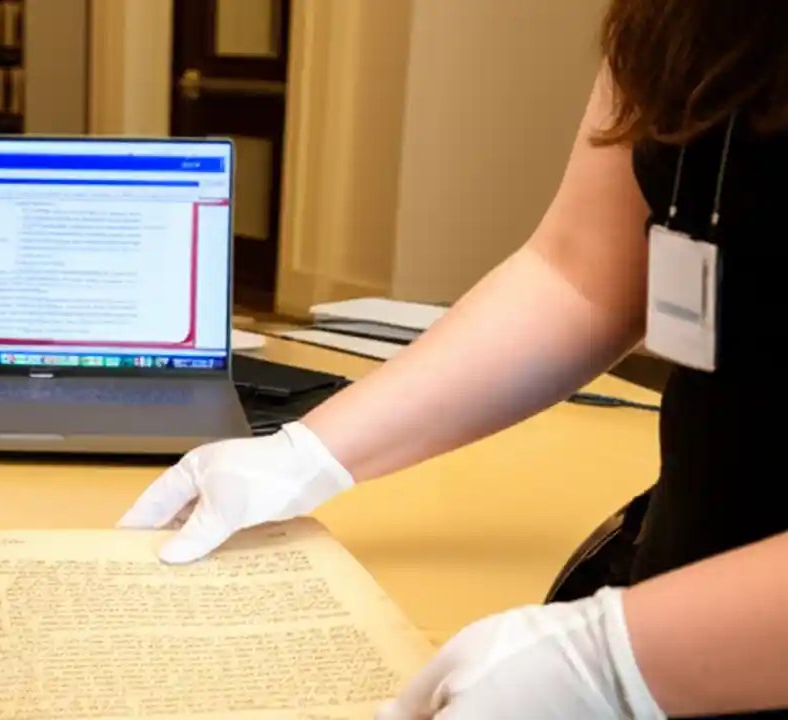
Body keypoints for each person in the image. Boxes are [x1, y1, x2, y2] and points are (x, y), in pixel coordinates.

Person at [118, 1, 788, 718]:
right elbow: (580, 275)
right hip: (679, 589)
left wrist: (612, 660)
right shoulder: (680, 18)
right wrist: (306, 453)